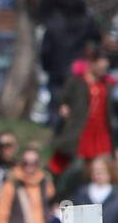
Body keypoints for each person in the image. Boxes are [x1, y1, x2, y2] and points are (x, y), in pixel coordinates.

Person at [48, 45, 115, 181]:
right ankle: (56, 188)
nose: (103, 71)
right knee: (69, 162)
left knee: (98, 164)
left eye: (105, 69)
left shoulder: (106, 83)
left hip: (100, 128)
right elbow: (62, 98)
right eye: (101, 68)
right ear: (92, 63)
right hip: (79, 126)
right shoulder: (77, 80)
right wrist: (63, 106)